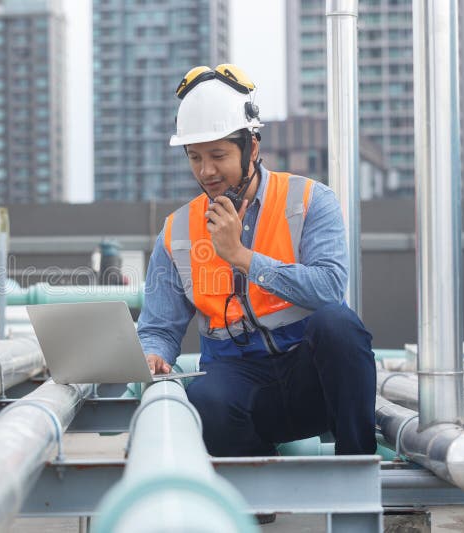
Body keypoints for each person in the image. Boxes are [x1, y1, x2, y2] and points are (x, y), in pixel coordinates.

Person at [137, 64, 376, 458]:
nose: (206, 171)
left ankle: (356, 468)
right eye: (194, 157)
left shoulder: (309, 201)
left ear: (253, 146)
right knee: (202, 400)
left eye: (218, 154)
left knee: (338, 325)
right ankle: (251, 493)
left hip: (310, 381)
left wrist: (242, 257)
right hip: (237, 385)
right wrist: (154, 355)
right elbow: (159, 328)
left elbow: (330, 287)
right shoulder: (176, 231)